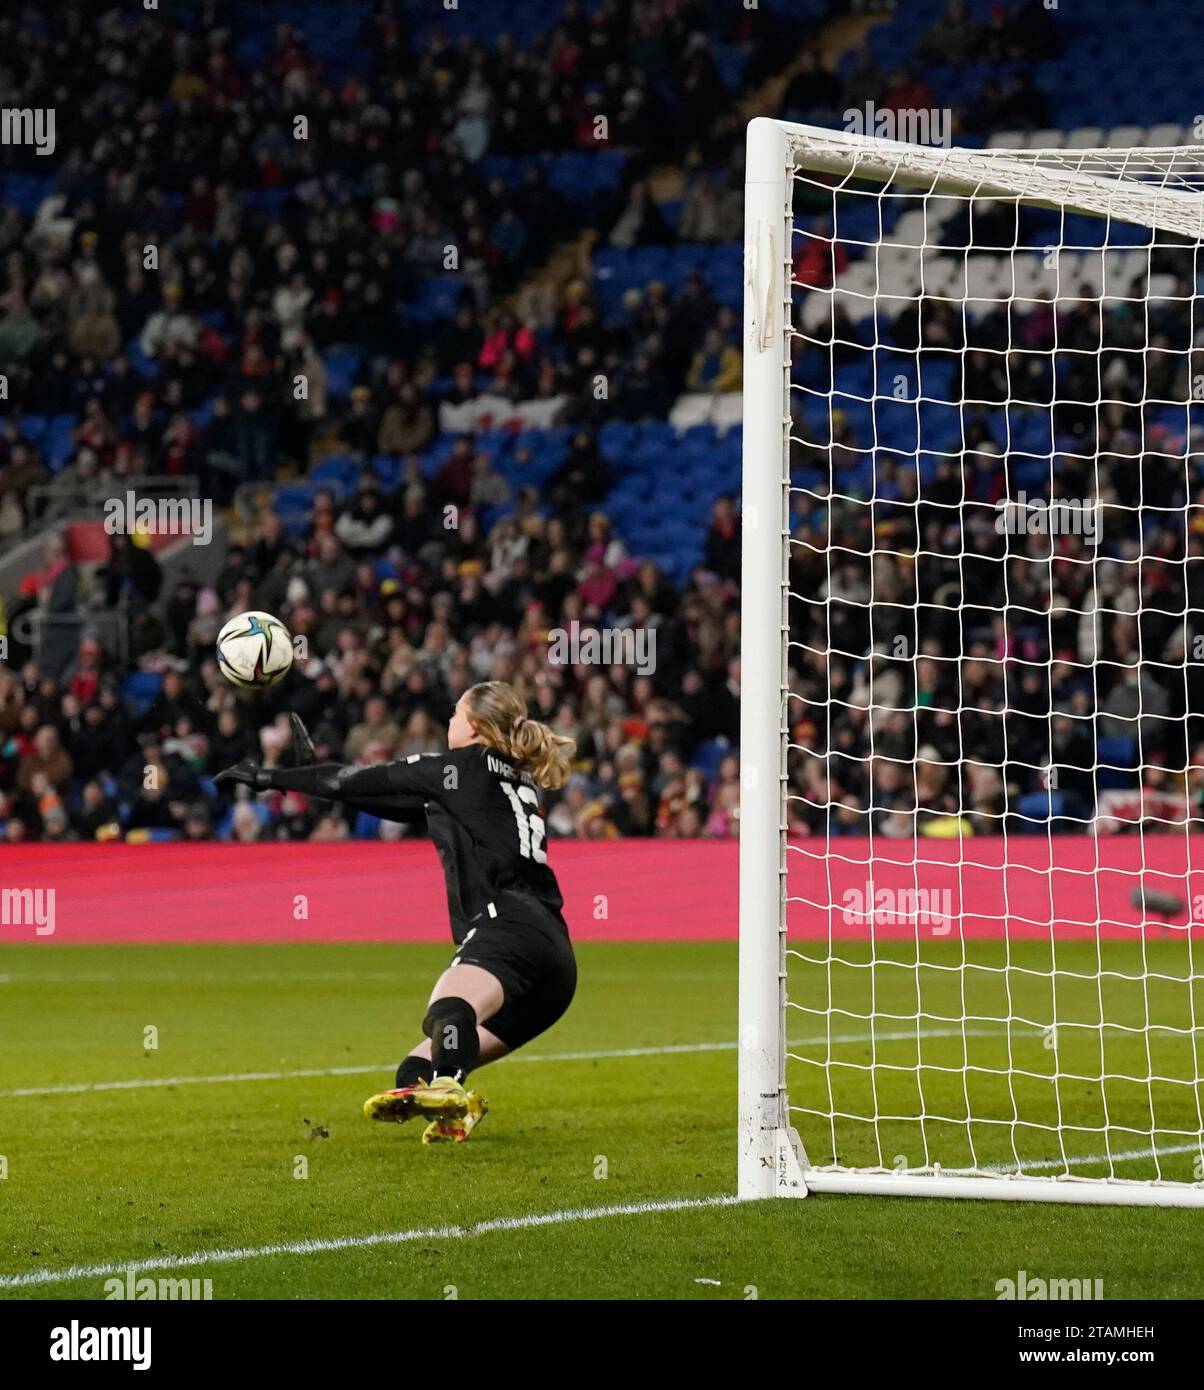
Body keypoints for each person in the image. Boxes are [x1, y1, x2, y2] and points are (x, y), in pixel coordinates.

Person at [215, 681, 576, 1145]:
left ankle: (450, 1087)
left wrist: (271, 778)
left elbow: (359, 779)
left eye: (455, 713)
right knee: (415, 1068)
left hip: (506, 924)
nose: (448, 721)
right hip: (556, 962)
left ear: (476, 727)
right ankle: (454, 1110)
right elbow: (383, 797)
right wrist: (318, 777)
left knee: (449, 1007)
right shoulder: (503, 777)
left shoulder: (459, 766)